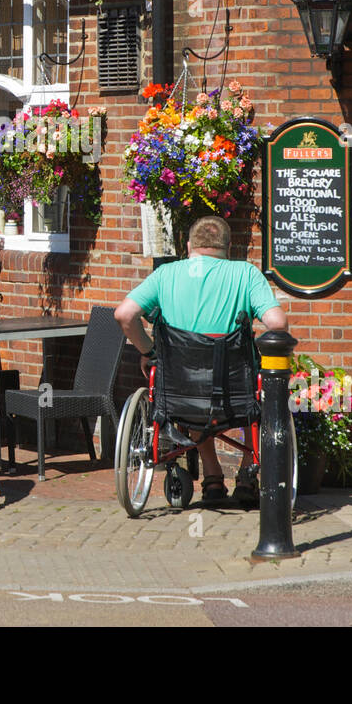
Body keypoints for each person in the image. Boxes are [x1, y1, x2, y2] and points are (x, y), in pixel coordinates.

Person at [114, 215, 288, 507]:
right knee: (259, 387)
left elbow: (124, 314)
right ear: (228, 247)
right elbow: (277, 323)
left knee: (193, 378)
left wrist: (148, 351)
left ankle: (212, 474)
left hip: (180, 394)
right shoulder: (245, 274)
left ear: (188, 245)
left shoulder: (165, 274)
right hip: (236, 392)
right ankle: (247, 472)